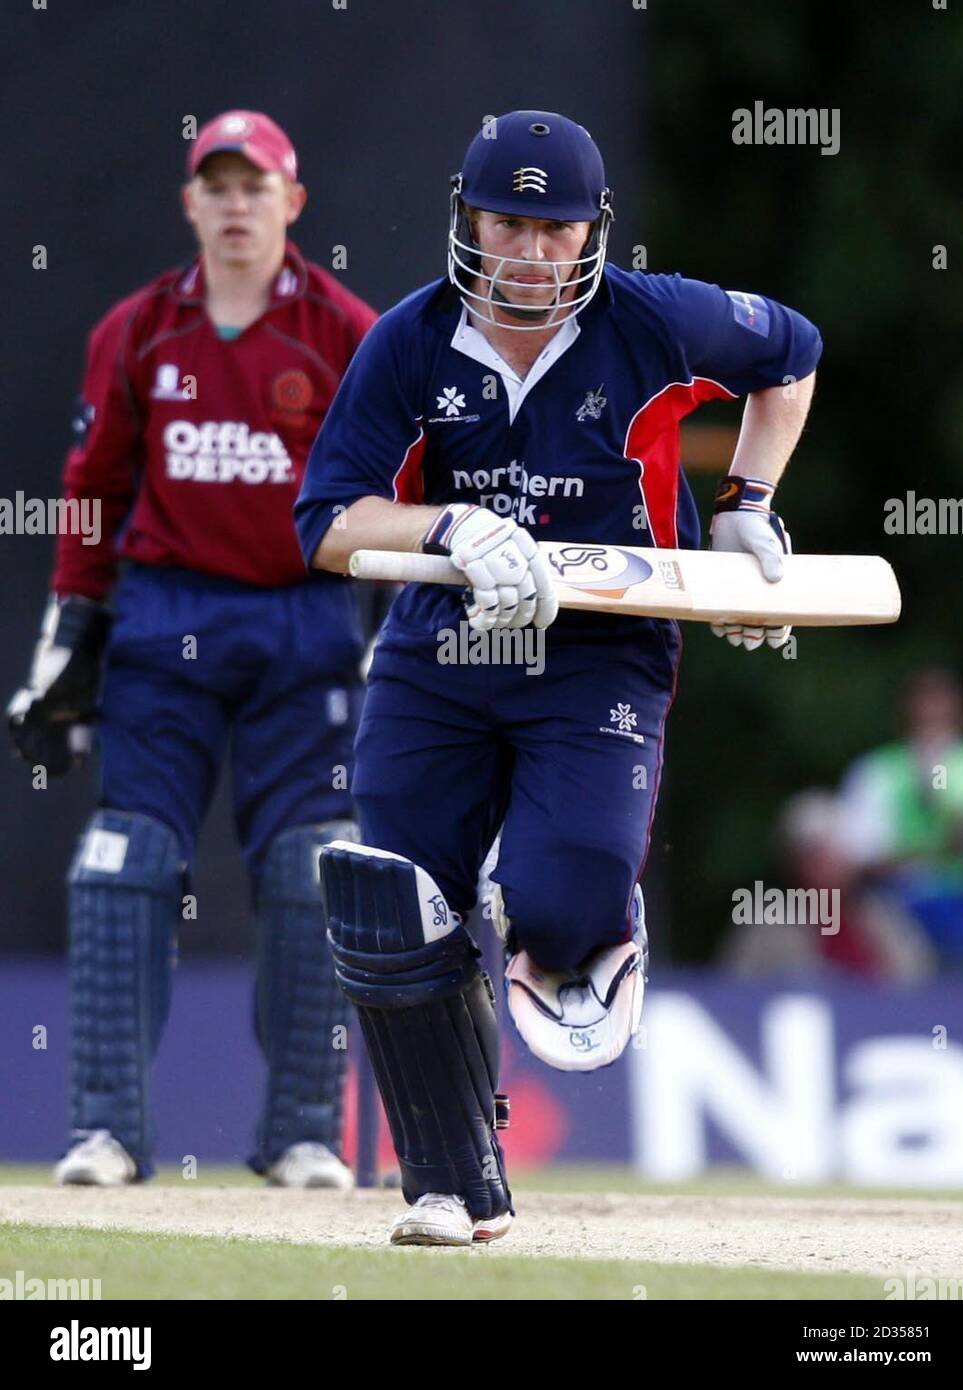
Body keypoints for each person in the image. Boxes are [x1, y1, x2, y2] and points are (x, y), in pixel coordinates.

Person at [295, 110, 822, 1243]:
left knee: (563, 900)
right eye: (509, 222)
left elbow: (794, 352)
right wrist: (451, 531)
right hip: (449, 641)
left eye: (555, 228)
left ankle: (573, 899)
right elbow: (329, 521)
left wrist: (746, 511)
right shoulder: (411, 338)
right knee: (391, 891)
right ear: (467, 218)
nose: (531, 252)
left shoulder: (654, 319)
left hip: (600, 651)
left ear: (592, 233)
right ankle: (448, 1182)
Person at [8, 110, 377, 1188]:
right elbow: (92, 493)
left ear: (291, 203)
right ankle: (108, 1130)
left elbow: (394, 494)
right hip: (164, 617)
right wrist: (65, 637)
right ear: (189, 204)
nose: (234, 206)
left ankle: (304, 1130)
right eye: (214, 186)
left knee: (315, 871)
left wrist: (394, 637)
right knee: (124, 861)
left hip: (305, 615)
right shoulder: (137, 330)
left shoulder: (346, 331)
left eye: (253, 187)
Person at [837, 669, 963, 971]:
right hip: (895, 908)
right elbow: (852, 858)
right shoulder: (877, 771)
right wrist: (933, 849)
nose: (931, 727)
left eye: (942, 717)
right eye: (923, 717)